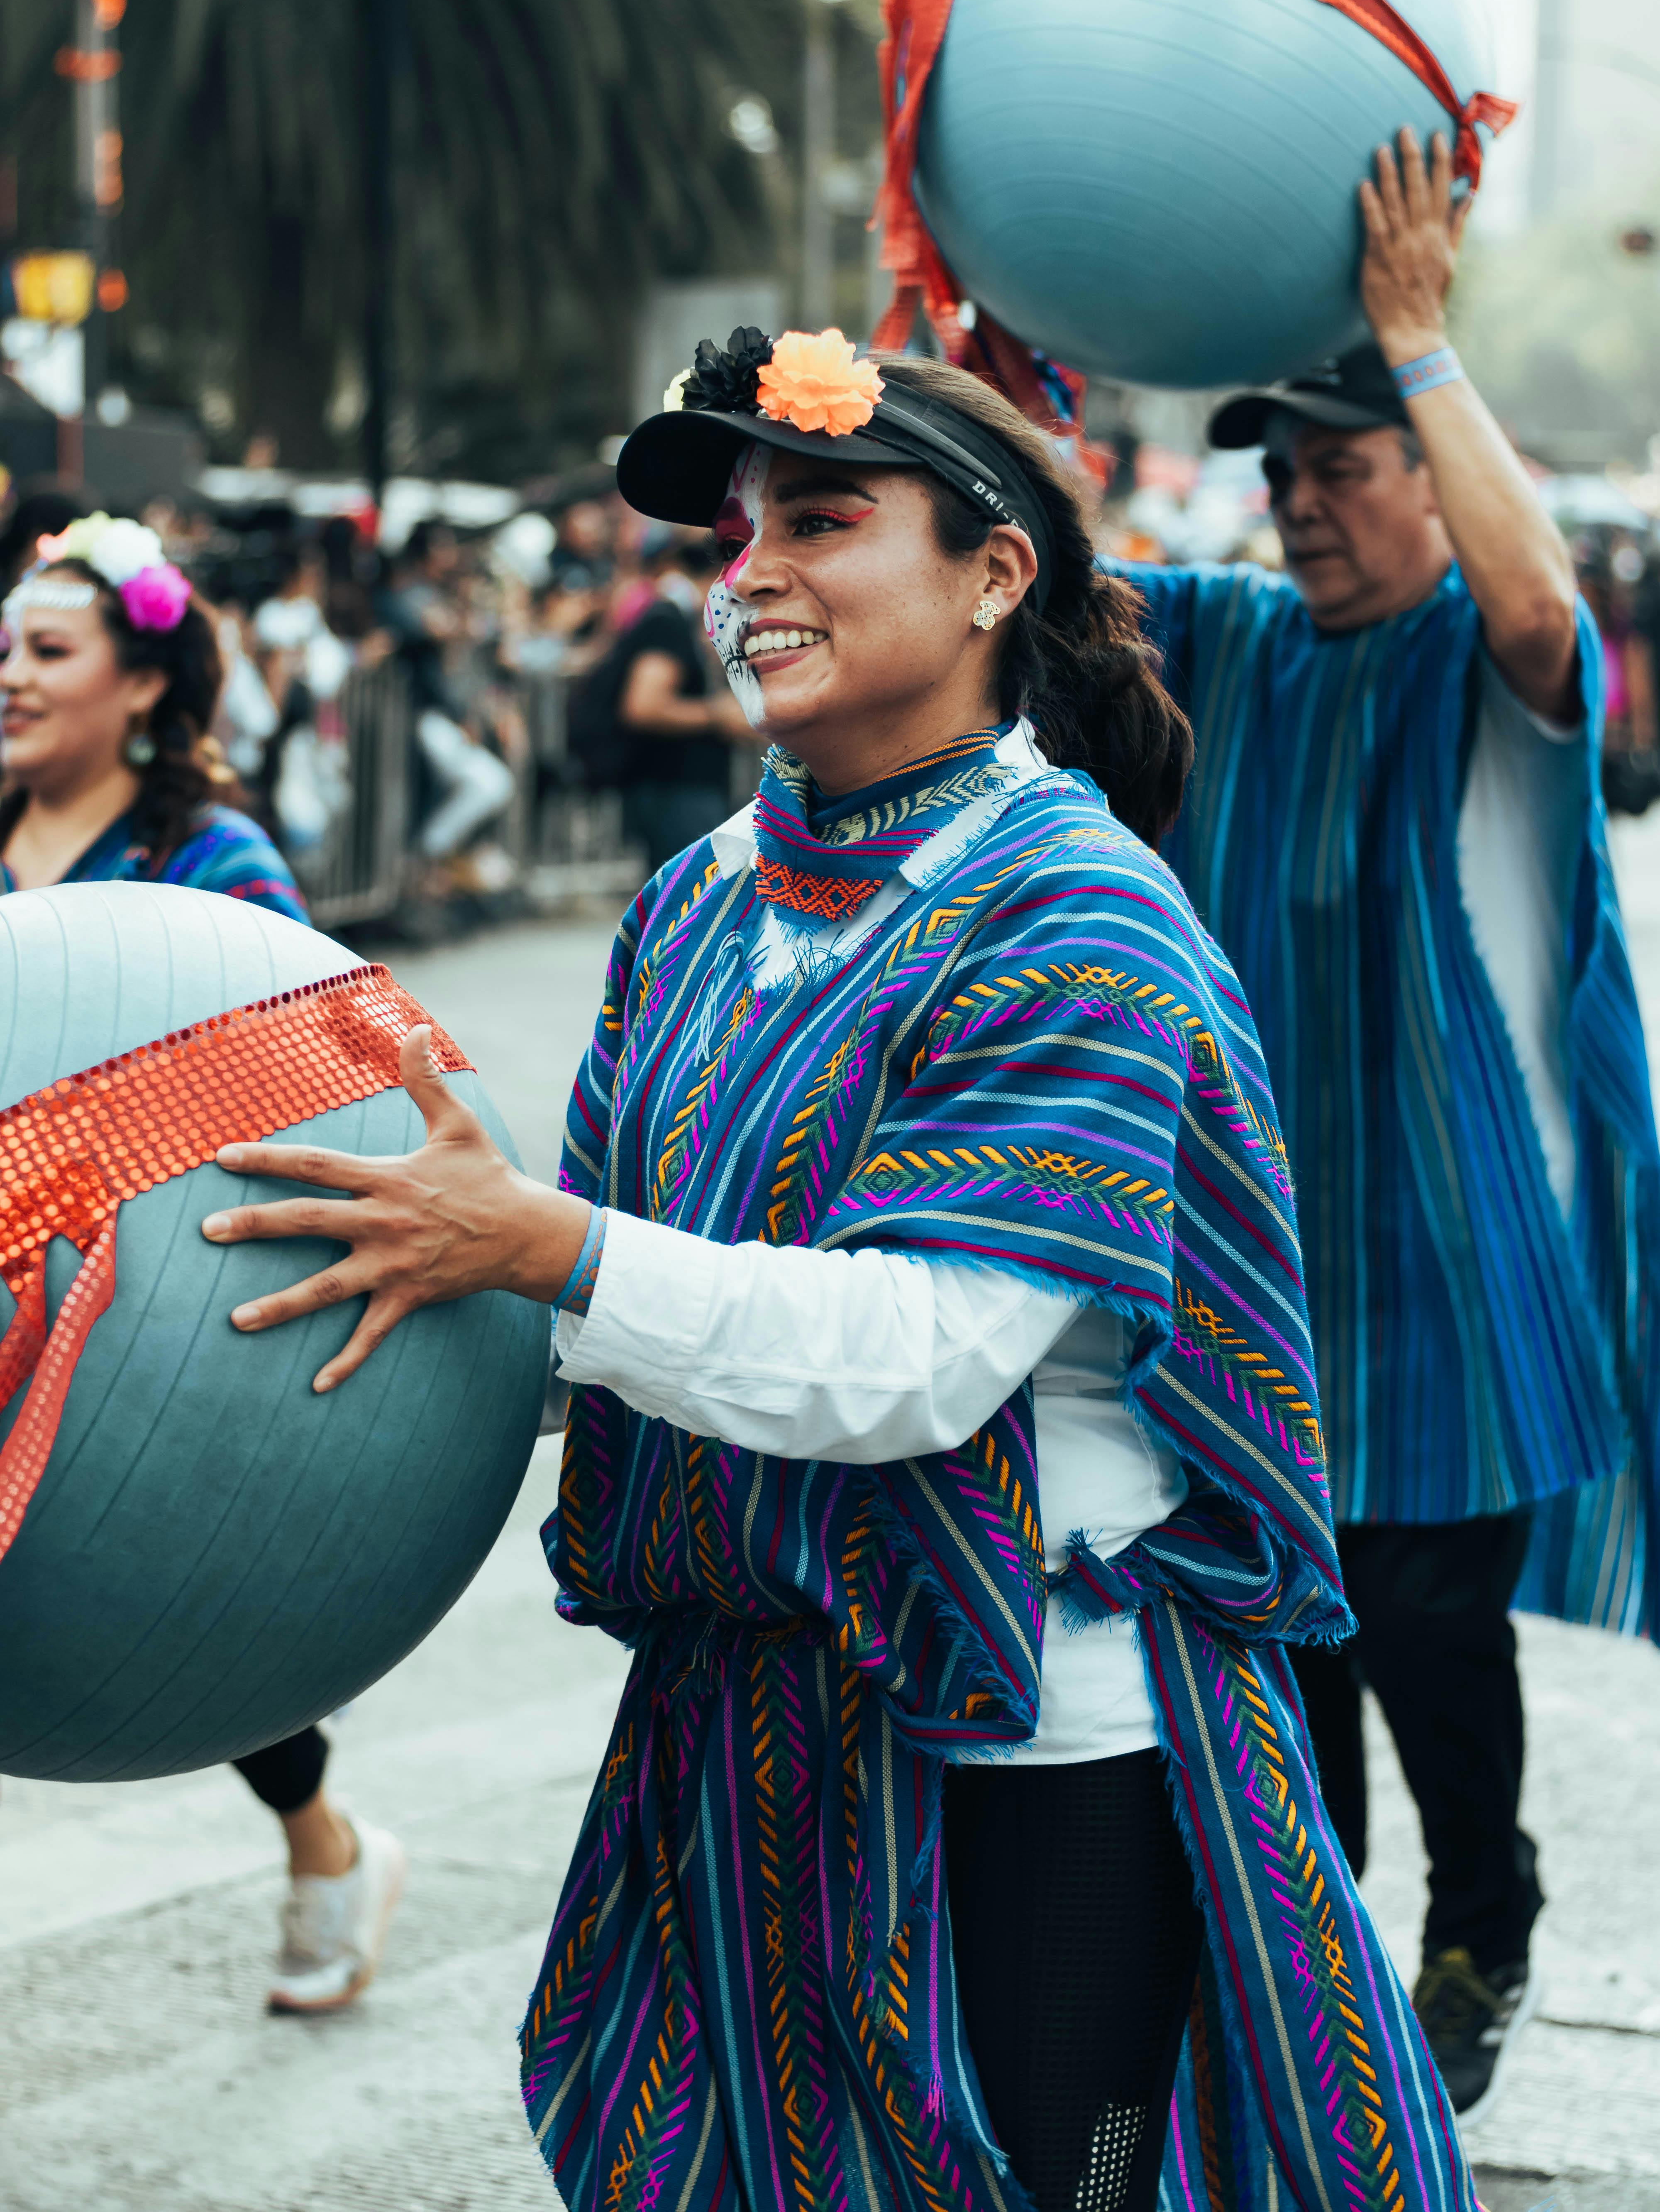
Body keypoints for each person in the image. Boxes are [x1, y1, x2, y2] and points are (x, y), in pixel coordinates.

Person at [201, 332, 1483, 2212]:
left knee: (1067, 2180)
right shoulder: (704, 895)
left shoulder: (1076, 908)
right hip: (754, 1735)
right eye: (733, 538)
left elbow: (922, 1357)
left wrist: (544, 1253)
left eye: (819, 518)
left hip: (1039, 1756)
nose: (752, 575)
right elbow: (597, 1320)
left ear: (991, 575)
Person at [1111, 132, 1660, 2122]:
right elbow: (1039, 576)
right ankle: (1319, 1970)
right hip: (1253, 1267)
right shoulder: (1228, 647)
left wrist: (1420, 342)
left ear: (1433, 475)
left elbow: (1535, 608)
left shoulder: (1486, 659)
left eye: (1339, 469)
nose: (1300, 504)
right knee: (1281, 1642)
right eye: (1284, 477)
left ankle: (1480, 1914)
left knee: (1427, 1630)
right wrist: (993, 361)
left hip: (1451, 1268)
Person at [0, 512, 406, 2014]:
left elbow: (294, 1071)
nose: (11, 677)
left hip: (135, 1313)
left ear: (147, 684)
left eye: (47, 651)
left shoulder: (209, 858)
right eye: (2, 648)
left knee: (150, 1614)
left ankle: (325, 1838)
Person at [569, 527, 754, 865]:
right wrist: (717, 714)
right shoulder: (667, 621)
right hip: (674, 789)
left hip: (678, 789)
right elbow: (644, 706)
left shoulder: (675, 619)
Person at [381, 520, 515, 863]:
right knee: (482, 785)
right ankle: (425, 863)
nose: (451, 556)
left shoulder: (440, 596)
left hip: (448, 716)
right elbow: (443, 632)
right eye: (444, 548)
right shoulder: (408, 595)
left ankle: (432, 870)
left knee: (465, 790)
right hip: (419, 715)